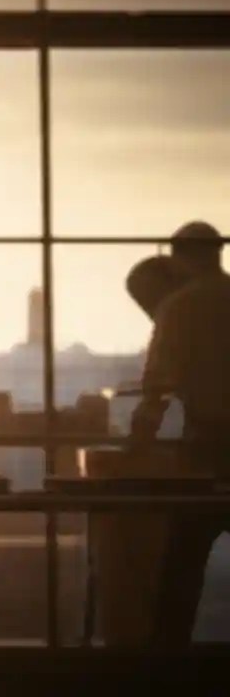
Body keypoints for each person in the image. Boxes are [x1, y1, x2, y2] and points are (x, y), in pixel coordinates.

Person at [131, 221, 230, 646]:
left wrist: (137, 449)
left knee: (184, 561)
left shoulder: (180, 307)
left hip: (208, 443)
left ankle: (167, 663)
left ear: (178, 257)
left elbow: (157, 390)